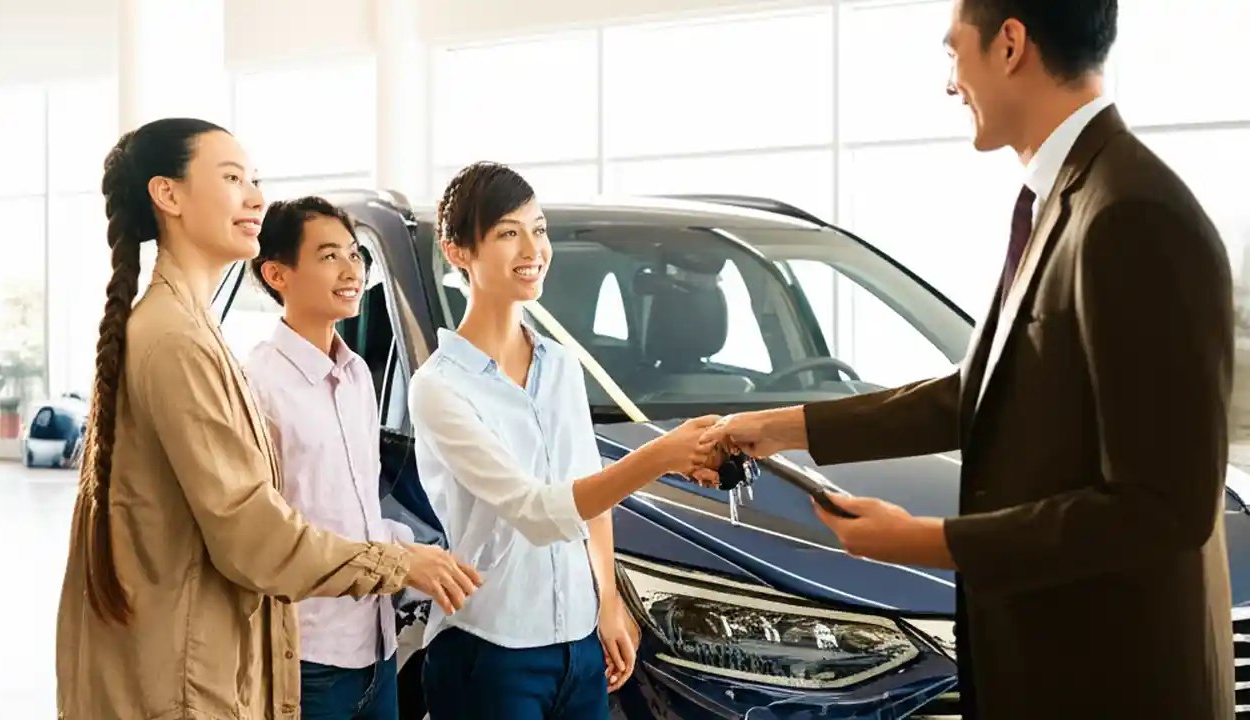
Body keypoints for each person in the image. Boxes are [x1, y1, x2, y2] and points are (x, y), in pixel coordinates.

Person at [703, 1, 1234, 718]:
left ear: (1010, 43)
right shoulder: (1068, 199)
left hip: (1110, 681)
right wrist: (783, 427)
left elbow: (1161, 508)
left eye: (954, 52)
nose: (951, 83)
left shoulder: (1132, 214)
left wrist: (927, 540)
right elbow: (981, 395)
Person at [55, 118, 481, 720]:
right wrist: (398, 563)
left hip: (215, 665)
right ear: (168, 195)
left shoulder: (188, 331)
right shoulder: (177, 341)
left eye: (254, 180)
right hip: (189, 682)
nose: (256, 197)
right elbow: (254, 537)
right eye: (232, 178)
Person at [408, 161, 719, 719]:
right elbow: (536, 512)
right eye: (508, 233)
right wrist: (661, 456)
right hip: (491, 647)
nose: (533, 248)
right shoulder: (439, 388)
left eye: (540, 228)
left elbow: (588, 500)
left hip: (577, 644)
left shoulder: (561, 366)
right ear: (459, 251)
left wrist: (607, 601)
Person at [244, 196, 445, 719]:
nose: (351, 269)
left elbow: (357, 511)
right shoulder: (258, 384)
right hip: (307, 655)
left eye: (355, 255)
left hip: (375, 647)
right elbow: (266, 532)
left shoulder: (356, 374)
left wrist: (417, 557)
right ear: (278, 274)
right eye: (329, 255)